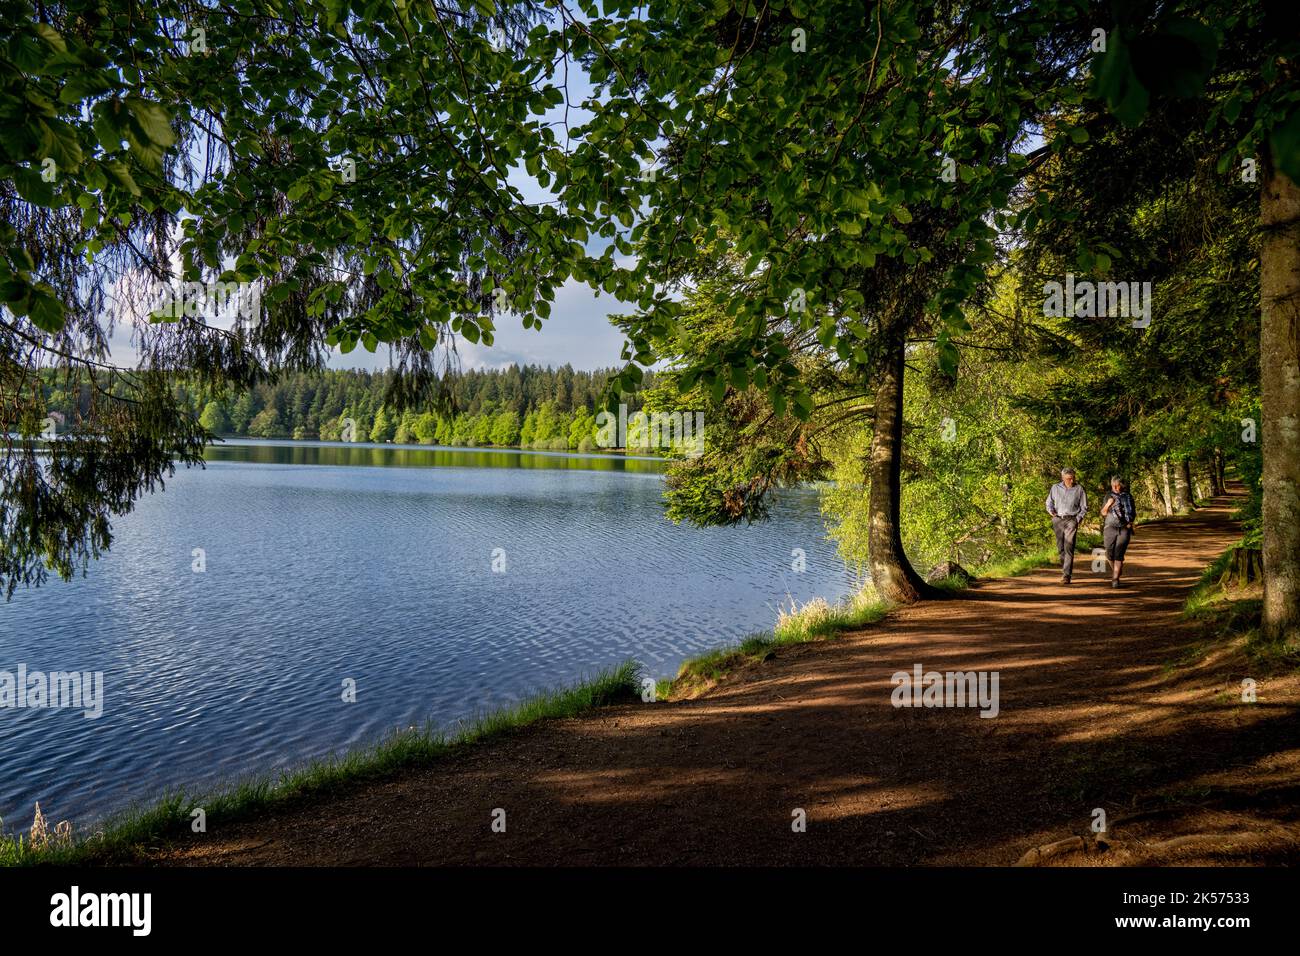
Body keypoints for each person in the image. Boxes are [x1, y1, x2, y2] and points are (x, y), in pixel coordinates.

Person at [1046, 467, 1087, 584]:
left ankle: (1066, 575)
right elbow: (1049, 502)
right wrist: (1051, 511)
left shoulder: (1079, 489)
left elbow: (1084, 507)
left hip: (1071, 520)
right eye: (1069, 479)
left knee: (1069, 546)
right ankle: (1065, 568)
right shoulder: (1055, 488)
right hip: (1058, 520)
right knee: (1061, 548)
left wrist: (1078, 519)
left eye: (1073, 478)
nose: (1072, 481)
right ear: (1063, 478)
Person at [1100, 475, 1137, 588]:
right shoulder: (1108, 496)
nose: (1117, 488)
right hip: (1110, 527)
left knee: (1119, 554)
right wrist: (1108, 504)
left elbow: (1133, 512)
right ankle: (1116, 569)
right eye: (1115, 486)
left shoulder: (1128, 496)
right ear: (1112, 485)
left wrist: (1130, 522)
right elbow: (1103, 513)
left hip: (1124, 528)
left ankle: (1115, 579)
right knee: (1109, 553)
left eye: (1119, 486)